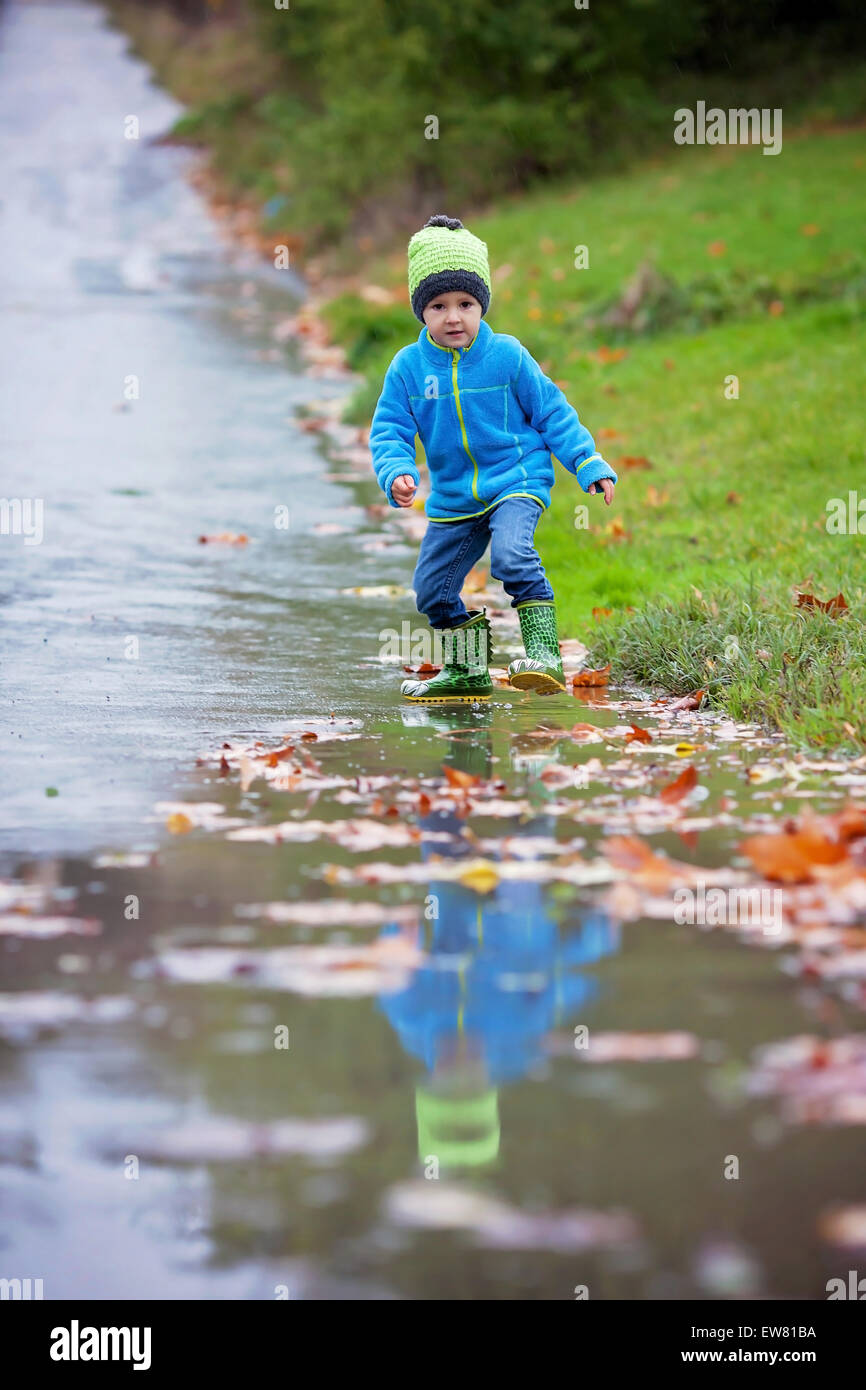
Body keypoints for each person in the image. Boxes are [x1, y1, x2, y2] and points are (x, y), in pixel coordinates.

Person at [369, 213, 618, 702]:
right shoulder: (408, 368)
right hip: (455, 497)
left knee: (511, 555)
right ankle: (467, 670)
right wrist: (396, 470)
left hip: (516, 480)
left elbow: (552, 412)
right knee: (431, 589)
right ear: (421, 311)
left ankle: (544, 654)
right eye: (438, 305)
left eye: (465, 303)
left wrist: (587, 462)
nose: (453, 317)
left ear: (481, 304)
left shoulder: (507, 356)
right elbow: (389, 429)